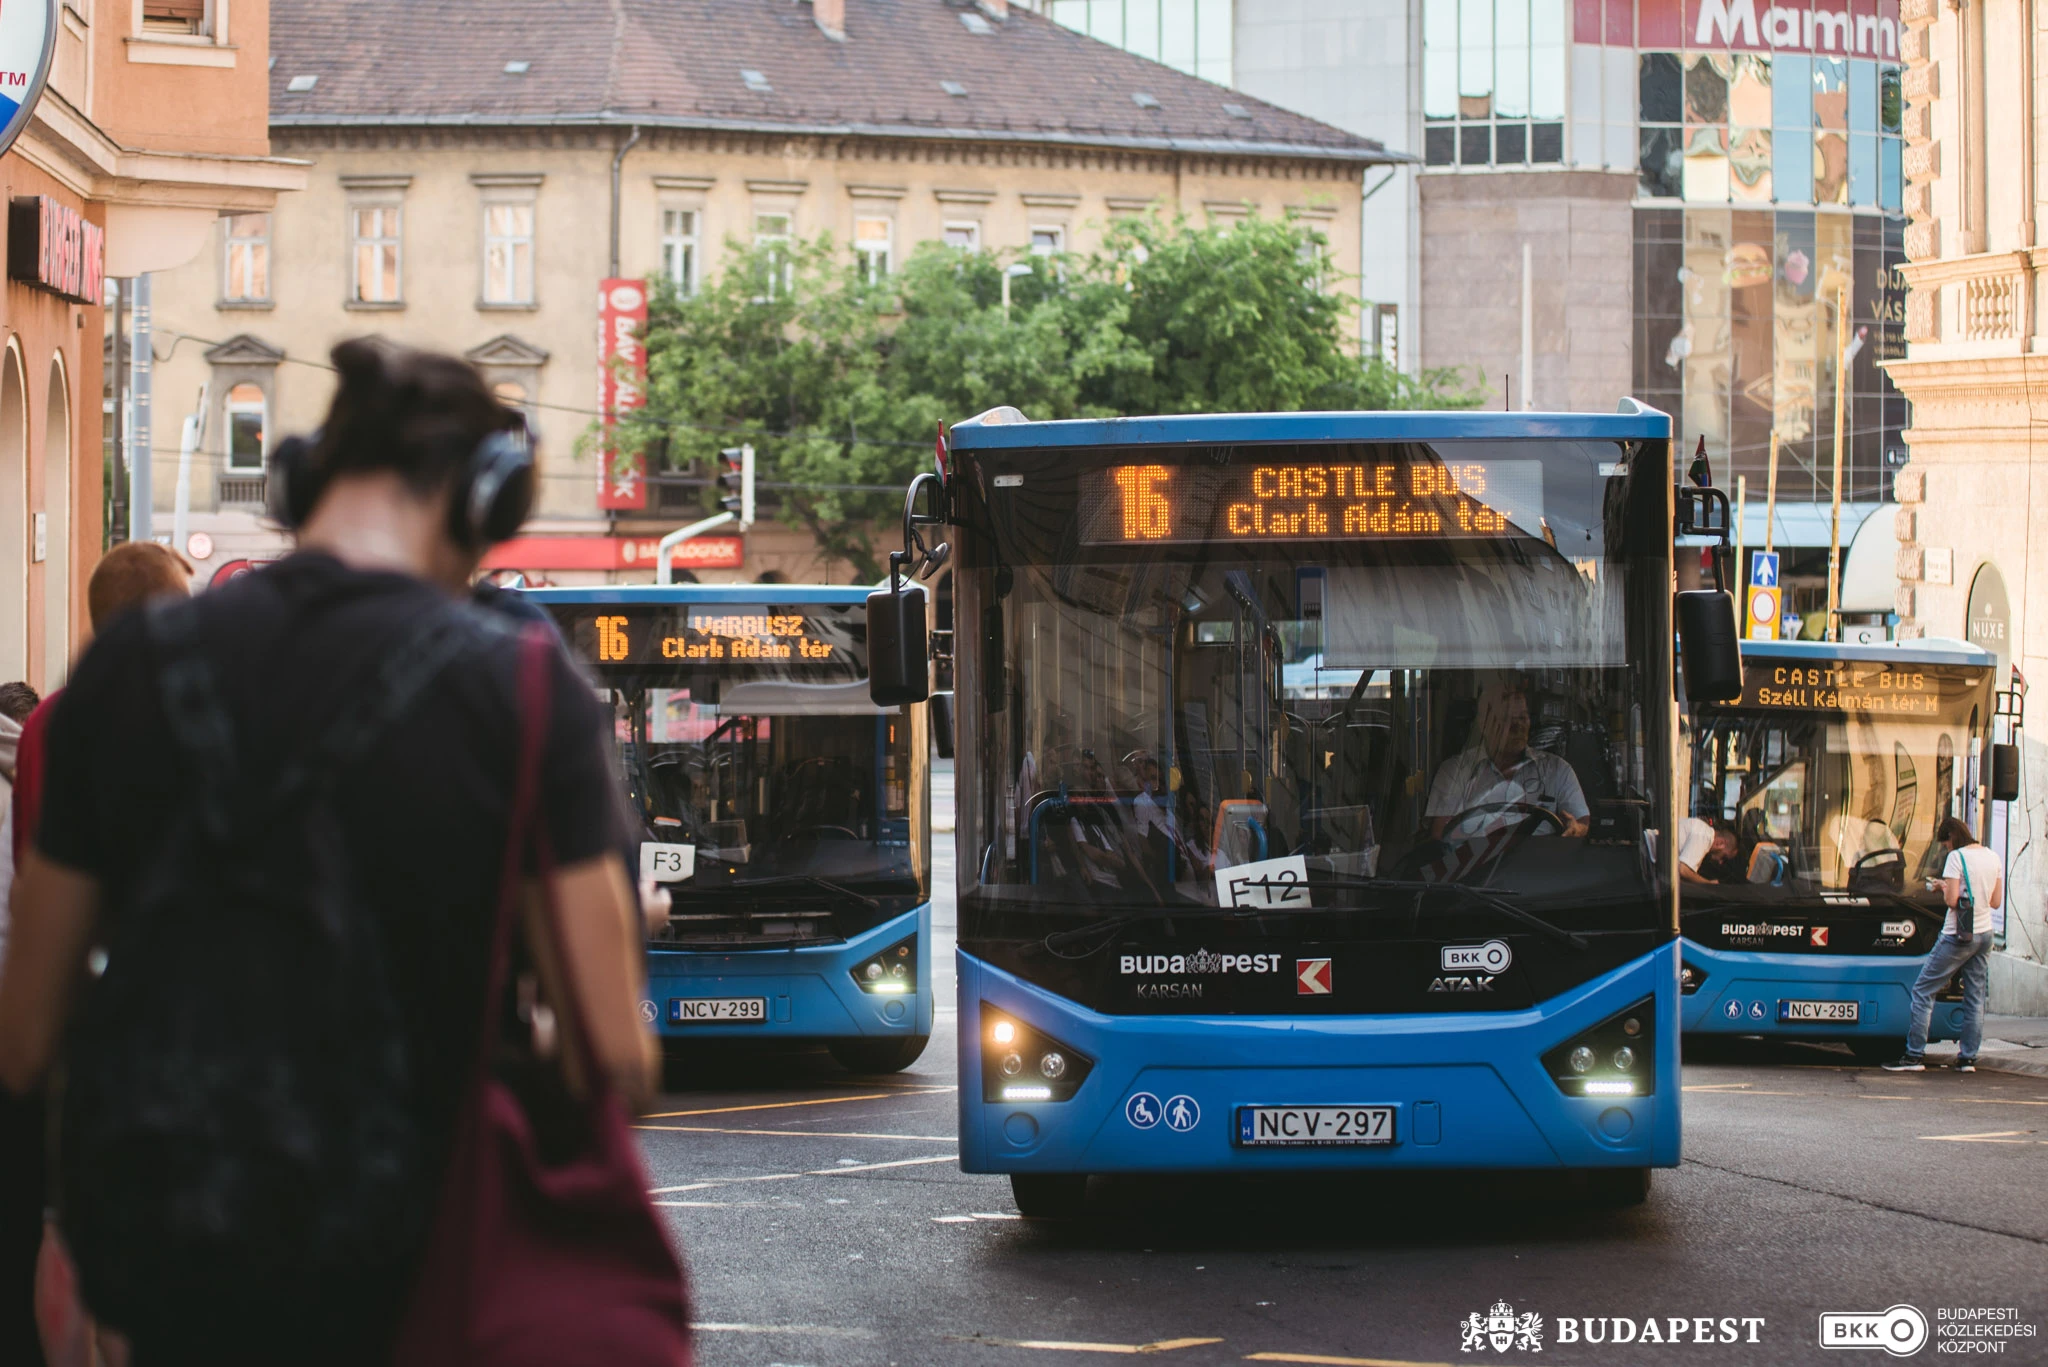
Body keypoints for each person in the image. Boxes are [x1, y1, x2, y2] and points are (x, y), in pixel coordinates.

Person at [0, 339, 662, 1364]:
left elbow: (27, 1034)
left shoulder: (129, 669)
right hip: (415, 1254)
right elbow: (613, 1055)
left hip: (173, 1255)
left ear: (302, 479)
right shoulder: (524, 690)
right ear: (485, 499)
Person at [4, 543, 195, 1367]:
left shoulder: (48, 725)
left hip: (80, 1019)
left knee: (74, 1230)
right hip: (176, 1024)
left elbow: (31, 880)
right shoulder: (196, 724)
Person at [1886, 816, 2004, 1073]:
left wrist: (1942, 887)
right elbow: (1995, 902)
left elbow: (1952, 901)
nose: (1946, 849)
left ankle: (1913, 1055)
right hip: (1985, 934)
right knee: (1974, 997)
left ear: (1951, 838)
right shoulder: (1993, 856)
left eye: (1946, 844)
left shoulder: (1956, 858)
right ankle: (1967, 1059)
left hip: (1958, 935)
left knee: (1922, 990)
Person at [1426, 682, 1590, 841]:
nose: (1518, 725)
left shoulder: (1557, 770)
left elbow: (1582, 823)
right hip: (1478, 867)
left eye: (1522, 717)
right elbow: (1442, 837)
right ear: (1484, 724)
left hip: (1542, 865)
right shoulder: (1455, 772)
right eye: (1507, 719)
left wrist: (1577, 830)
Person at [1676, 815, 1739, 884]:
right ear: (1720, 843)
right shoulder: (1704, 836)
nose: (1720, 862)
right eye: (1724, 857)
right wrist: (1708, 883)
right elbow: (1683, 870)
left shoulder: (1703, 832)